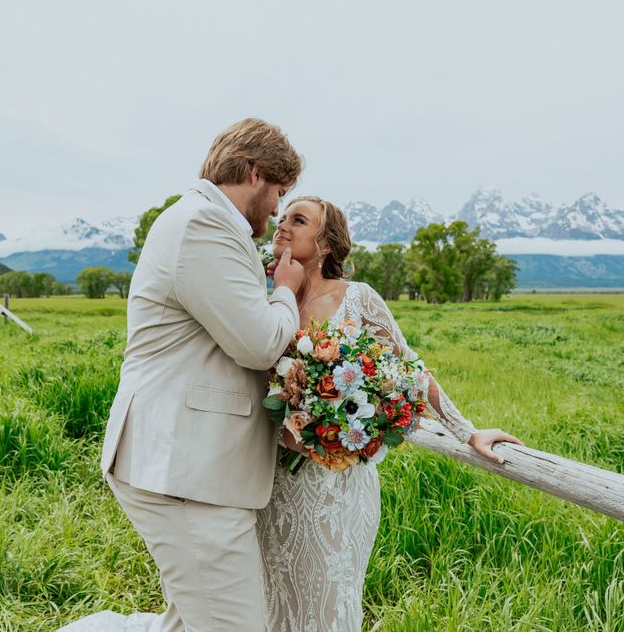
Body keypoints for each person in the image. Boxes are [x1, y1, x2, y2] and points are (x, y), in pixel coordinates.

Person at [59, 118, 306, 632]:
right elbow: (259, 343)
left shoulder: (203, 223)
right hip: (185, 470)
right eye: (279, 192)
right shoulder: (202, 224)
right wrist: (284, 289)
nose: (279, 210)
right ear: (256, 173)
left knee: (188, 623)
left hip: (189, 466)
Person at [256, 196, 523, 632]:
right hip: (275, 483)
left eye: (298, 220)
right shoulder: (271, 305)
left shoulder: (356, 298)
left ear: (325, 243)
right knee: (275, 602)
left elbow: (411, 370)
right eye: (282, 218)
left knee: (327, 606)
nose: (282, 225)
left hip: (336, 488)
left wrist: (467, 431)